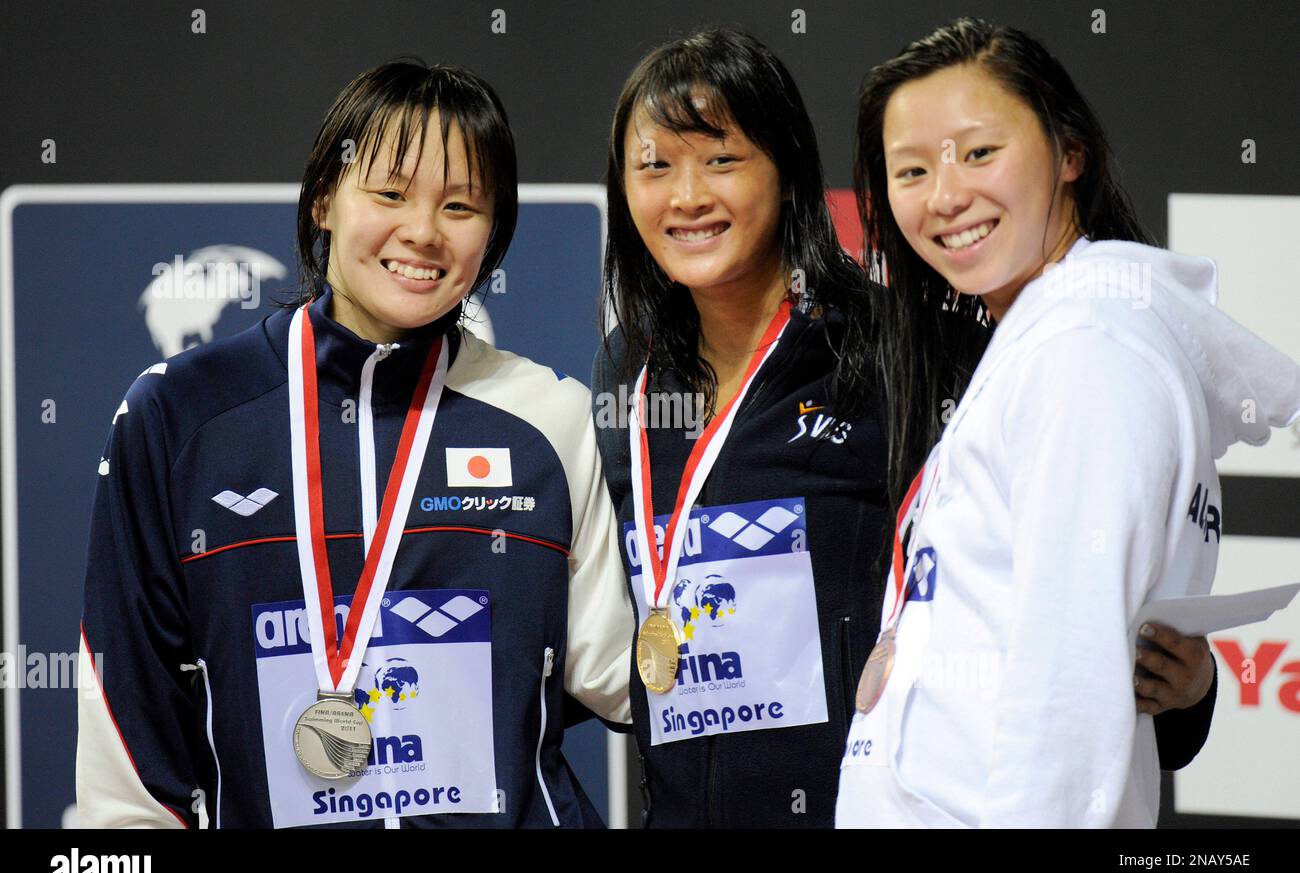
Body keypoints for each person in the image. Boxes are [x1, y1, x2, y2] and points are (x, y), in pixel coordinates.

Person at [593, 27, 1217, 829]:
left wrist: (1189, 695)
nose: (686, 197)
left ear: (786, 170)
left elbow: (1050, 603)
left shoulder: (898, 350)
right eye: (654, 166)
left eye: (721, 160)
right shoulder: (630, 370)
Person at [77, 59, 632, 828]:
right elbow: (128, 753)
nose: (423, 232)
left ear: (493, 234)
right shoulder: (179, 415)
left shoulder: (550, 419)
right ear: (323, 199)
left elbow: (627, 676)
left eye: (461, 205)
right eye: (390, 193)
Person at [836, 17, 1300, 828]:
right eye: (911, 170)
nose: (945, 195)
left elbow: (1067, 696)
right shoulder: (1051, 335)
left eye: (979, 152)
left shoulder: (1087, 348)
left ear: (1070, 152)